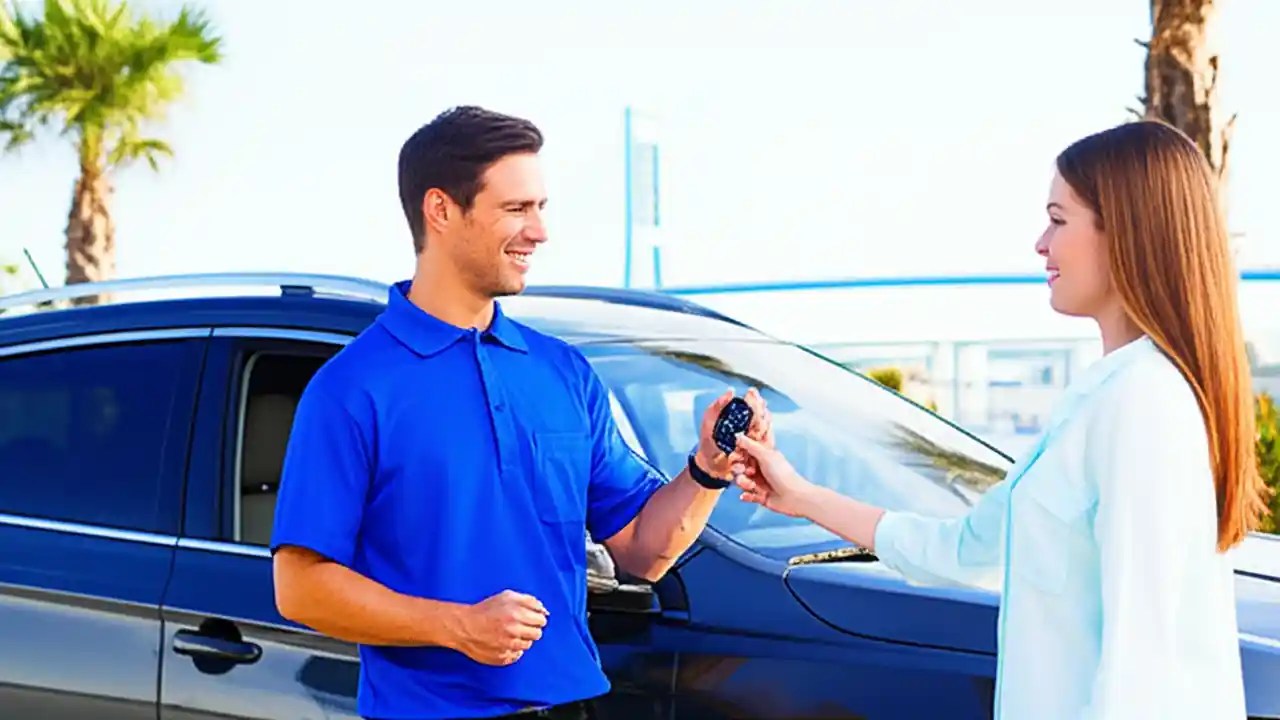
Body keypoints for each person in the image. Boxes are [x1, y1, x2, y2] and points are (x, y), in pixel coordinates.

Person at [731, 120, 1272, 720]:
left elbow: (1146, 660)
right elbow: (964, 550)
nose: (1041, 243)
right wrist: (801, 496)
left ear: (1127, 233)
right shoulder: (1109, 393)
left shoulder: (1141, 400)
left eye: (1058, 220)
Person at [269, 105, 770, 720]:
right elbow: (300, 588)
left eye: (541, 207)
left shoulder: (562, 372)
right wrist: (457, 626)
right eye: (516, 209)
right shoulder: (352, 389)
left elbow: (643, 550)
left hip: (571, 705)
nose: (539, 232)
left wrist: (707, 469)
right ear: (441, 210)